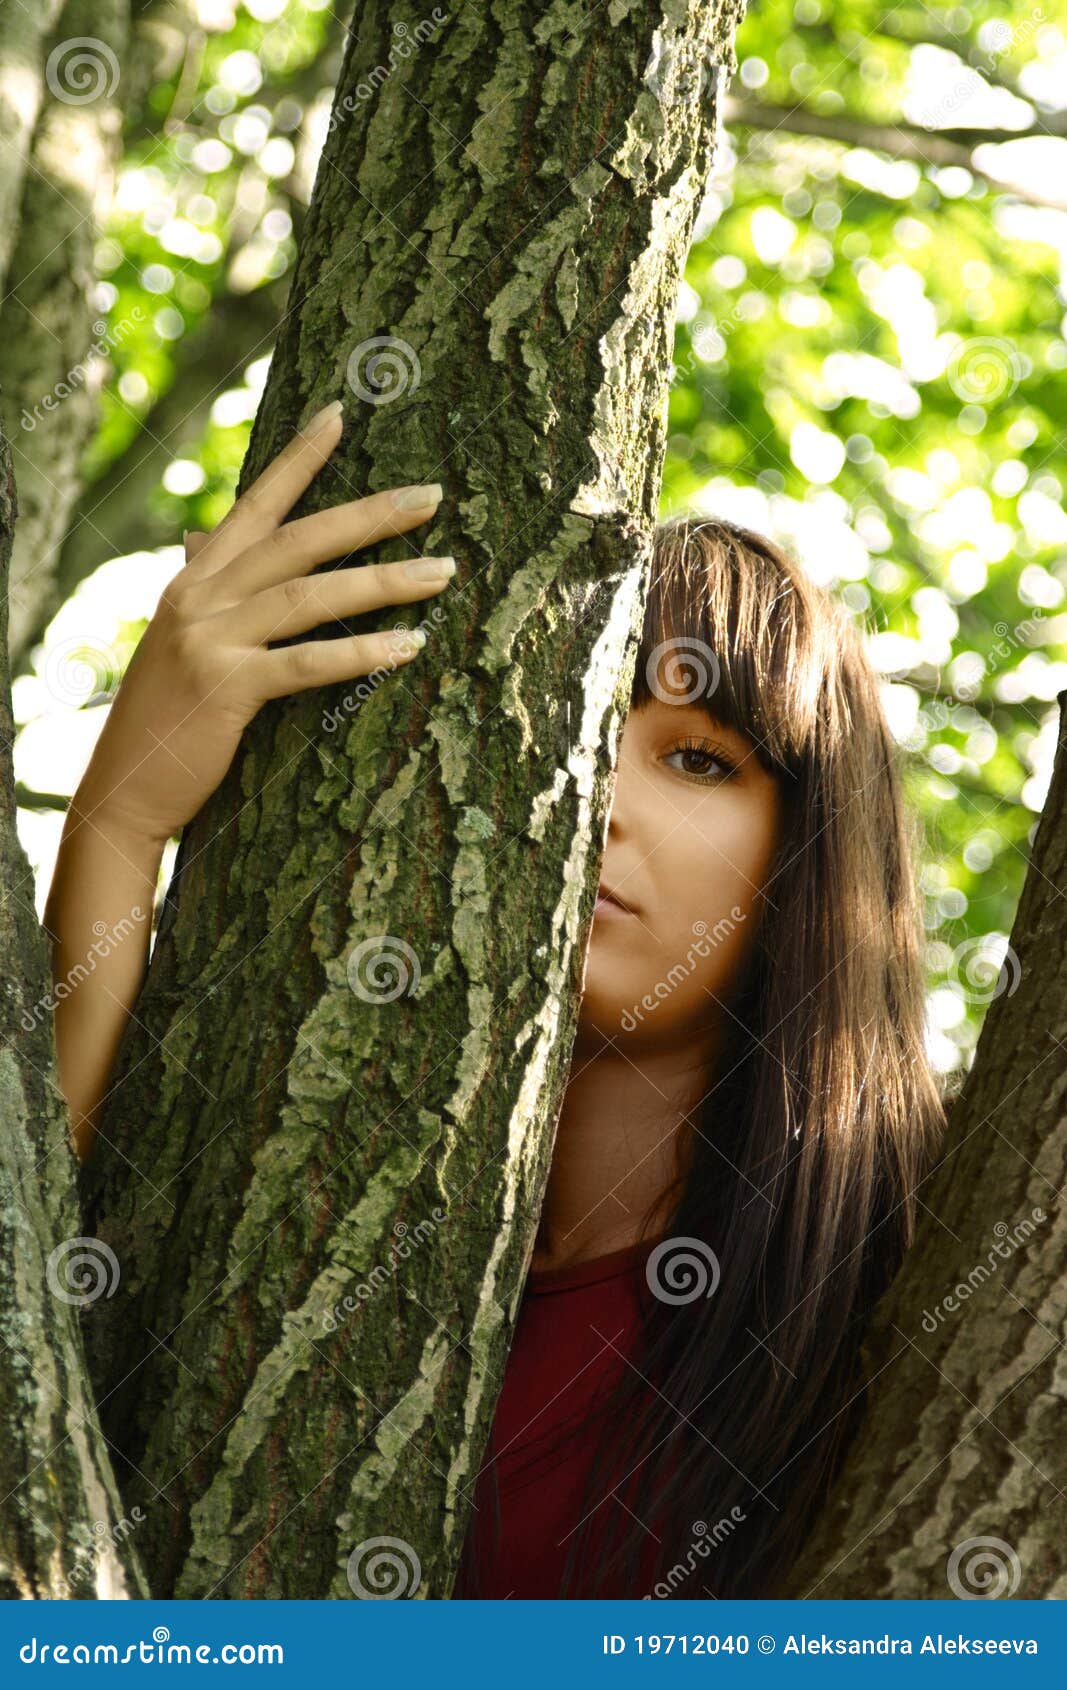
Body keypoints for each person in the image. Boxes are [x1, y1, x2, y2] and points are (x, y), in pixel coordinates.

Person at [45, 402, 946, 1600]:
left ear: (807, 863)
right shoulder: (289, 1210)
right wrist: (121, 817)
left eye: (692, 758)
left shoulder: (907, 1271)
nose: (588, 797)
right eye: (560, 724)